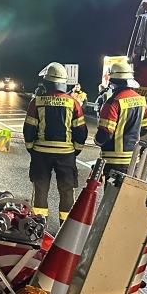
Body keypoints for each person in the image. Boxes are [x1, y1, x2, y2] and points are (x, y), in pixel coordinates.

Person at [23, 62, 88, 224]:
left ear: (47, 82)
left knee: (40, 190)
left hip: (41, 154)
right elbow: (81, 131)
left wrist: (31, 148)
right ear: (63, 83)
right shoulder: (73, 103)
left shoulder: (36, 102)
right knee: (66, 191)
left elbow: (29, 129)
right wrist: (76, 150)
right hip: (66, 155)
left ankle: (38, 226)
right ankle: (64, 228)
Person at [94, 59, 147, 177]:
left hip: (114, 161)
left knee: (111, 194)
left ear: (112, 82)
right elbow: (145, 129)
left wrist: (97, 141)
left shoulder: (112, 103)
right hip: (133, 159)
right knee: (128, 194)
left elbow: (105, 134)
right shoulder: (141, 100)